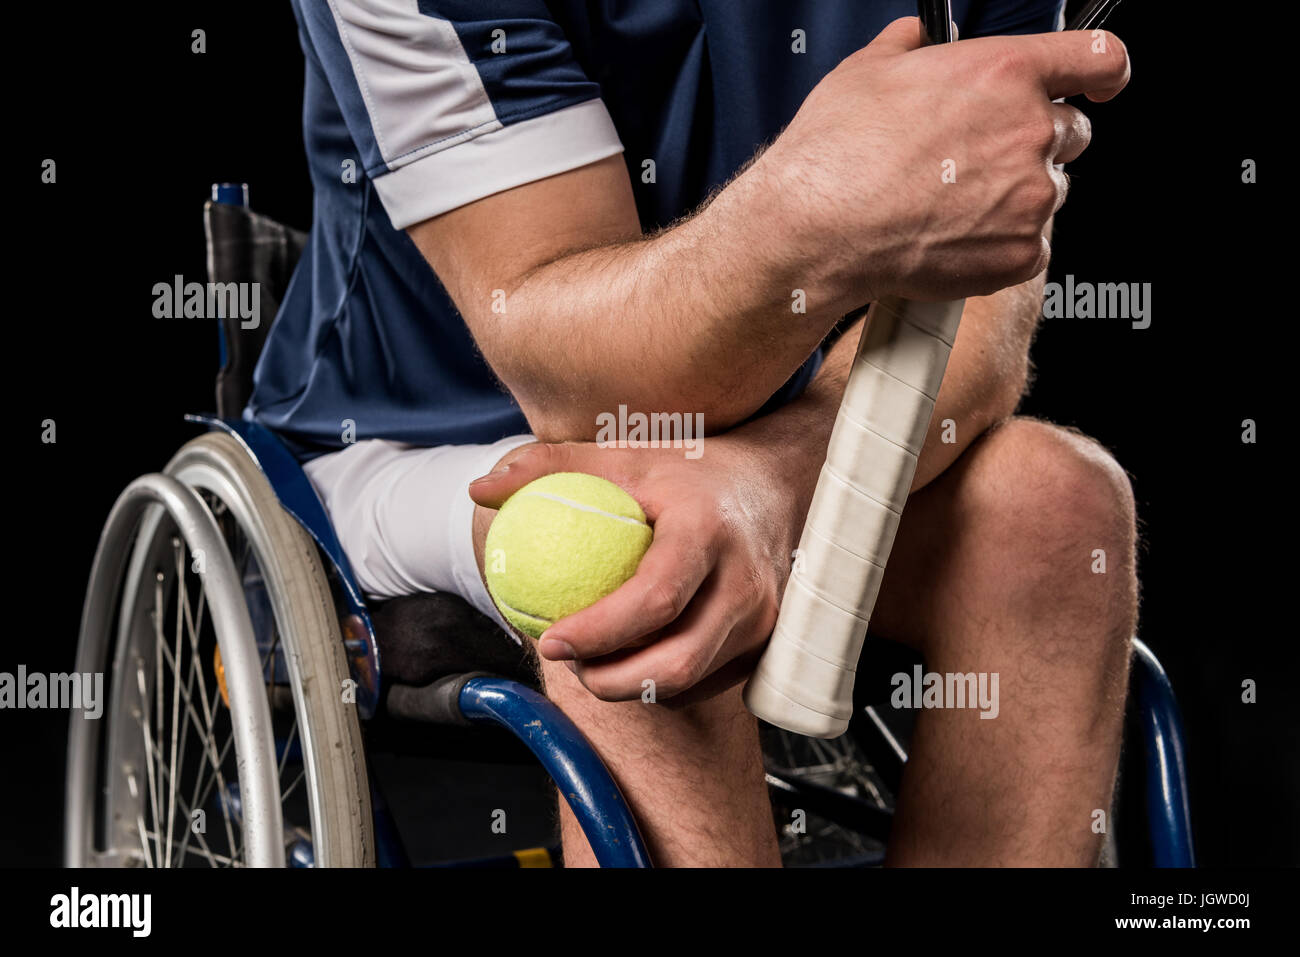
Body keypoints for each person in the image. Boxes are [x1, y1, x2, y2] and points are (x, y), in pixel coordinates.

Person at [248, 0, 1134, 866]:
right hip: (405, 450)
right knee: (632, 554)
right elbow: (584, 386)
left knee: (1052, 510)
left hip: (770, 424)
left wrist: (775, 479)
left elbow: (974, 295)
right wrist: (815, 201)